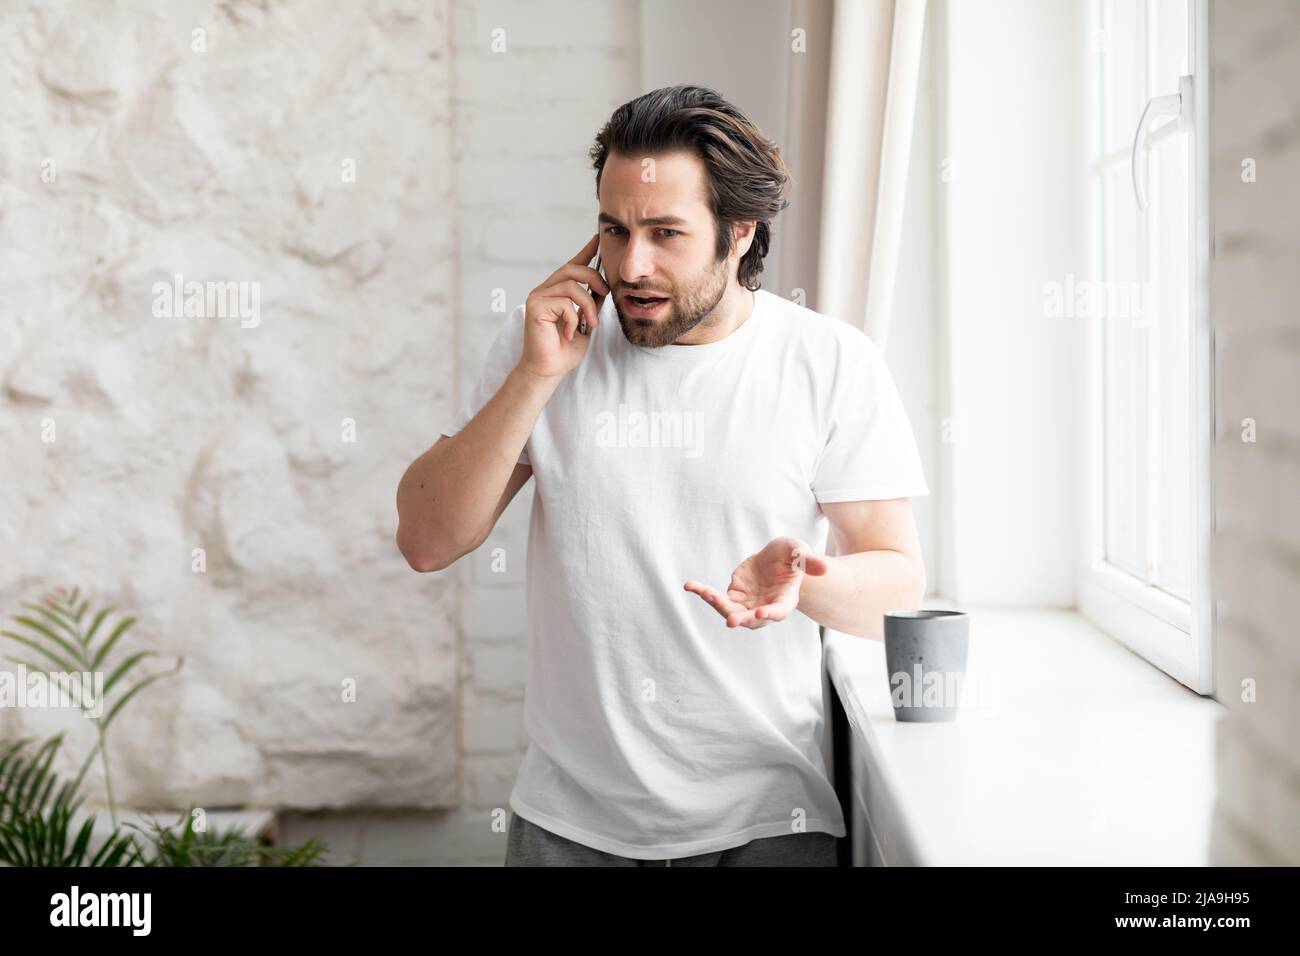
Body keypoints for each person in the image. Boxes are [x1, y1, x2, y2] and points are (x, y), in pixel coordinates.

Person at [396, 85, 929, 867]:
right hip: (566, 829)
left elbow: (898, 586)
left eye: (665, 233)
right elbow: (426, 540)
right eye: (613, 230)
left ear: (740, 234)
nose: (632, 266)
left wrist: (802, 585)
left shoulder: (827, 362)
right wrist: (535, 376)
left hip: (768, 825)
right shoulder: (547, 351)